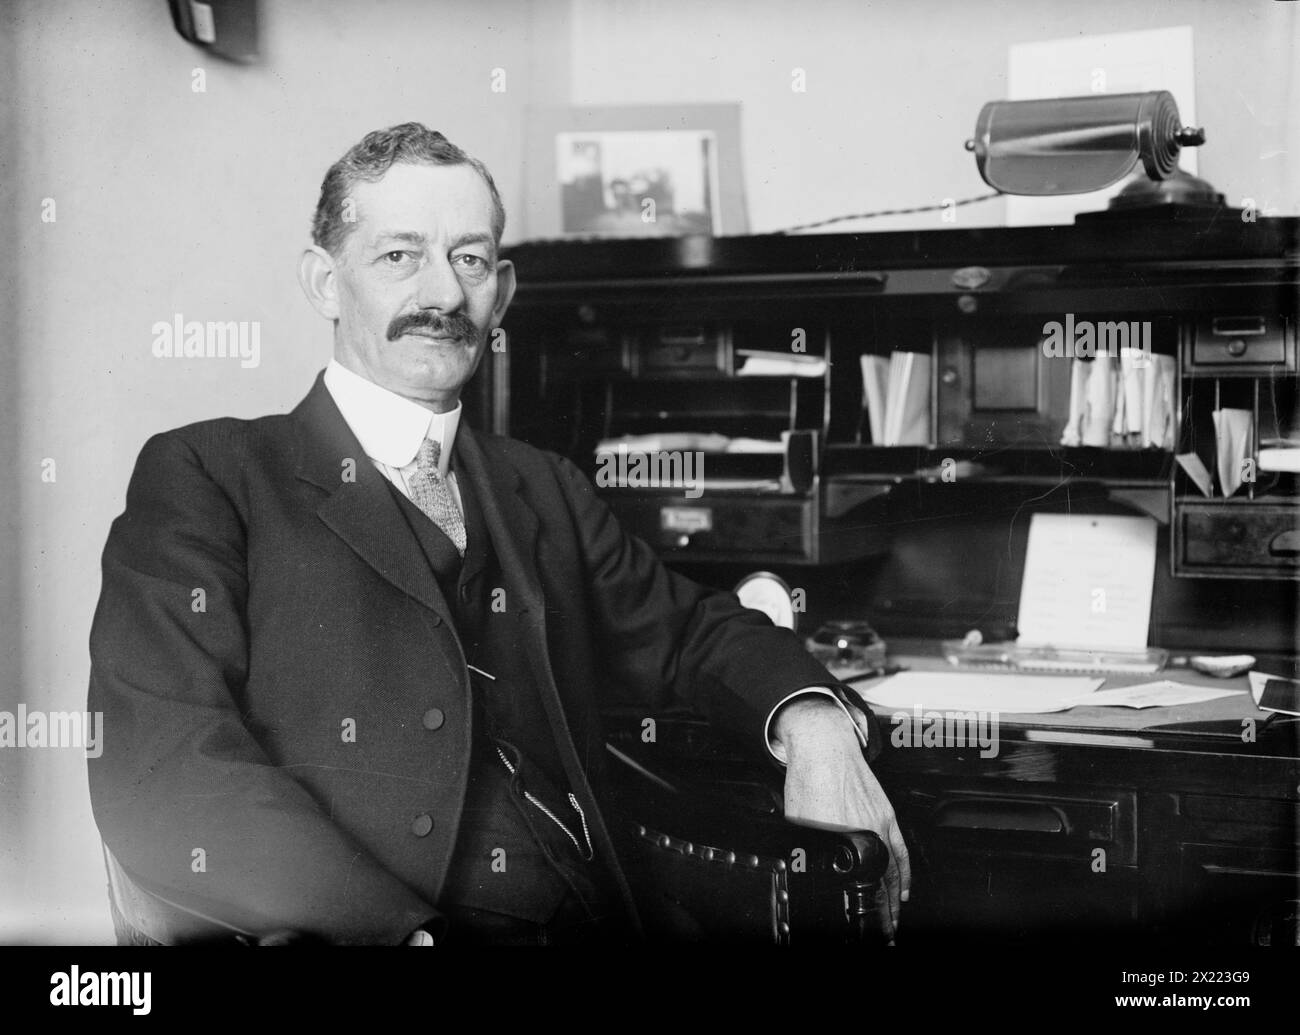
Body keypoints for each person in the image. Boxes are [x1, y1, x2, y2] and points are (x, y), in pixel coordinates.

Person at [87, 123, 909, 946]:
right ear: (325, 282)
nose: (443, 295)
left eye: (470, 260)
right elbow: (165, 765)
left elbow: (690, 631)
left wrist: (815, 721)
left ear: (502, 291)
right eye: (399, 256)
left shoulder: (542, 484)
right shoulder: (210, 474)